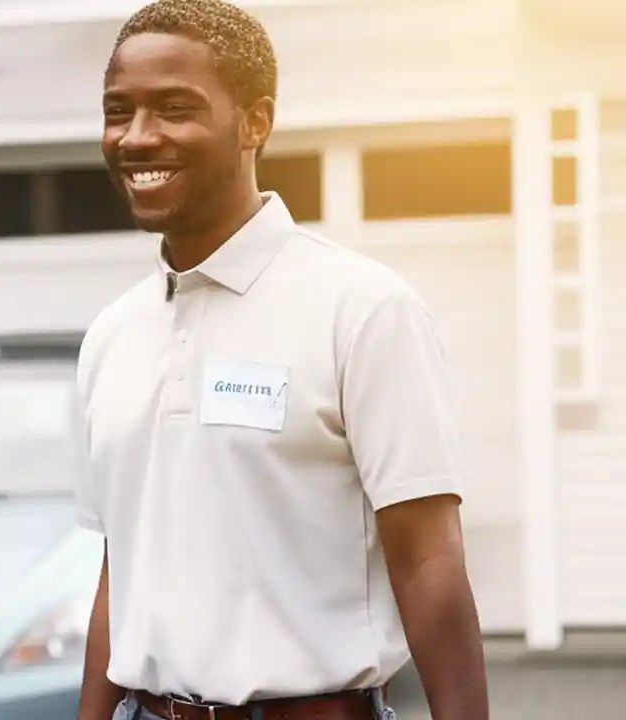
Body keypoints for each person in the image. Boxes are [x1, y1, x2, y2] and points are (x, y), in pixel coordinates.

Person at [74, 2, 489, 719]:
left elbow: (428, 562)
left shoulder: (362, 311)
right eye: (119, 111)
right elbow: (123, 566)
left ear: (255, 123)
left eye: (175, 109)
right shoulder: (113, 334)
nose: (137, 138)